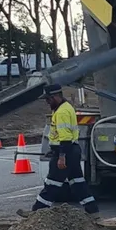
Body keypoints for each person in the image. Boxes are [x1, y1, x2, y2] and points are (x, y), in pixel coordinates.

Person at [28, 84, 97, 214]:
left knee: (52, 184)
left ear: (55, 97)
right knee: (78, 184)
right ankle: (93, 211)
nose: (47, 102)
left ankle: (36, 211)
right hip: (71, 151)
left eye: (48, 99)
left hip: (66, 152)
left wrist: (61, 156)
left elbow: (65, 137)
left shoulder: (62, 112)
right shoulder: (65, 107)